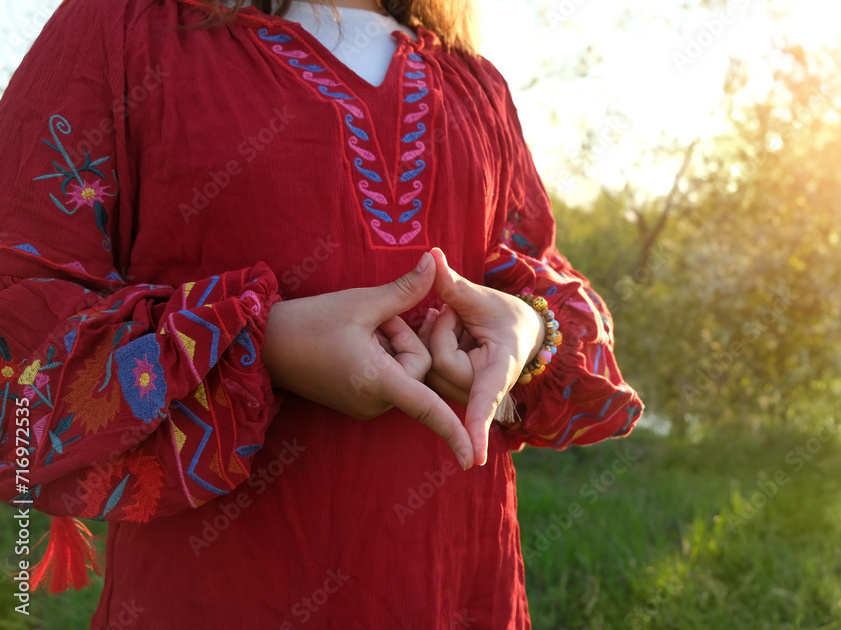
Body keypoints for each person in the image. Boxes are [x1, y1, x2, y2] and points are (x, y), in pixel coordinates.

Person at [0, 0, 644, 626]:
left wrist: (526, 329)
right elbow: (18, 320)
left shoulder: (474, 82)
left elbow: (544, 276)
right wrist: (267, 346)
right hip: (215, 595)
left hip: (459, 586)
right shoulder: (127, 26)